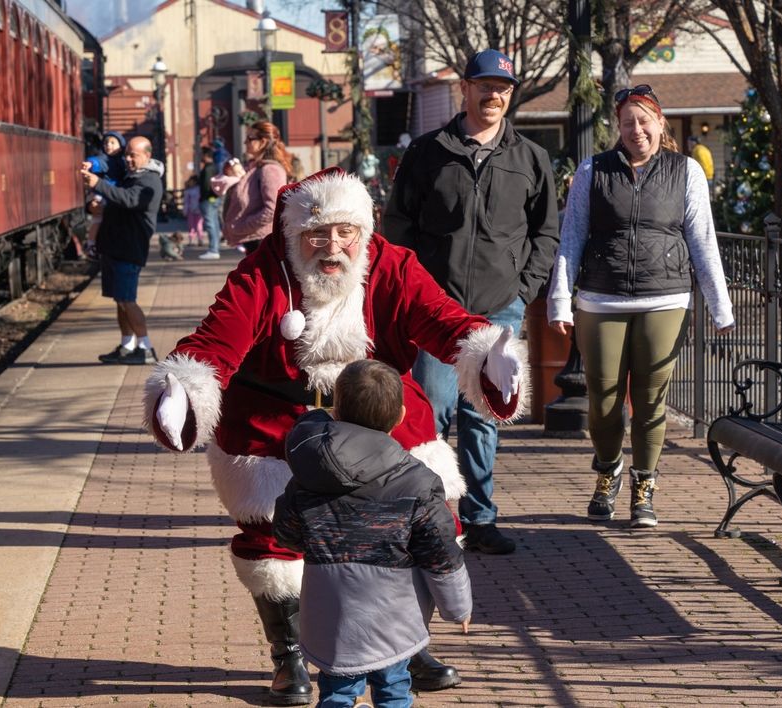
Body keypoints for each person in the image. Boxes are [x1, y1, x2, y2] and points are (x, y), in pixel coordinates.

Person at [142, 169, 525, 704]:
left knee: (433, 509)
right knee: (271, 531)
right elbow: (217, 339)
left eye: (346, 232)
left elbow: (443, 319)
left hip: (378, 406)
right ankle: (289, 655)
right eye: (316, 235)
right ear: (292, 236)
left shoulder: (392, 264)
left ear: (363, 230)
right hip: (280, 414)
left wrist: (486, 353)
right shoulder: (262, 273)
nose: (333, 246)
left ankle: (404, 645)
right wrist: (185, 383)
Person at [384, 48, 560, 555]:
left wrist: (523, 289)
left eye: (502, 88)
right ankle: (430, 518)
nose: (493, 95)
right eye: (484, 85)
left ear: (511, 94)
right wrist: (413, 289)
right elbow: (398, 228)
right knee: (432, 413)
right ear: (465, 87)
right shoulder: (427, 152)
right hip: (436, 310)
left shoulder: (530, 158)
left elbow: (545, 232)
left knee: (484, 418)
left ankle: (480, 519)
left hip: (499, 310)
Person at [547, 85, 734, 528]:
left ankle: (644, 487)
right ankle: (607, 470)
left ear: (660, 123)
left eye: (644, 120)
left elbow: (702, 241)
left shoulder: (685, 172)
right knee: (604, 401)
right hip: (600, 298)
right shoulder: (594, 171)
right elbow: (570, 237)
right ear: (618, 127)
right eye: (628, 122)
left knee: (651, 401)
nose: (636, 130)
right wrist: (560, 301)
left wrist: (720, 307)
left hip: (665, 299)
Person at [273, 360, 472, 706]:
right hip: (393, 616)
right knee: (394, 690)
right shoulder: (417, 481)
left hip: (330, 615)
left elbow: (286, 533)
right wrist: (457, 607)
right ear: (400, 416)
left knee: (336, 693)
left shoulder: (309, 469)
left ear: (335, 410)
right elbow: (440, 553)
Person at [81, 136, 165, 365]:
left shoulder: (149, 181)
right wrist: (100, 204)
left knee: (128, 300)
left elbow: (129, 200)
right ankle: (127, 345)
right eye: (126, 154)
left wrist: (98, 184)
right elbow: (119, 201)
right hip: (116, 248)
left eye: (133, 155)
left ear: (147, 155)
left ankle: (146, 348)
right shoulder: (131, 176)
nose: (127, 159)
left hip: (129, 249)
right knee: (120, 300)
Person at [222, 121, 293, 255]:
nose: (245, 142)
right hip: (255, 240)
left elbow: (273, 209)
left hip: (264, 241)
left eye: (250, 138)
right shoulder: (254, 167)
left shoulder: (270, 169)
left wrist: (241, 226)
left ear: (263, 142)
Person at [82, 130, 127, 256]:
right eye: (106, 142)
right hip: (102, 194)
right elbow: (98, 162)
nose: (108, 145)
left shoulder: (123, 161)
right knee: (97, 220)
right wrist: (90, 164)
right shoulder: (106, 159)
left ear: (121, 146)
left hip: (112, 195)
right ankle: (91, 243)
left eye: (113, 143)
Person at [198, 146, 223, 260]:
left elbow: (206, 185)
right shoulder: (215, 167)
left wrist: (203, 198)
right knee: (215, 223)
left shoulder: (208, 169)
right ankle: (215, 247)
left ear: (205, 156)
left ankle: (213, 249)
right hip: (215, 198)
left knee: (210, 224)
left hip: (208, 199)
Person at [183, 175, 203, 246]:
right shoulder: (188, 191)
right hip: (191, 210)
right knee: (191, 226)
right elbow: (186, 202)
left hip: (199, 210)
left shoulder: (199, 190)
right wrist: (185, 210)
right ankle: (191, 239)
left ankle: (200, 239)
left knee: (198, 225)